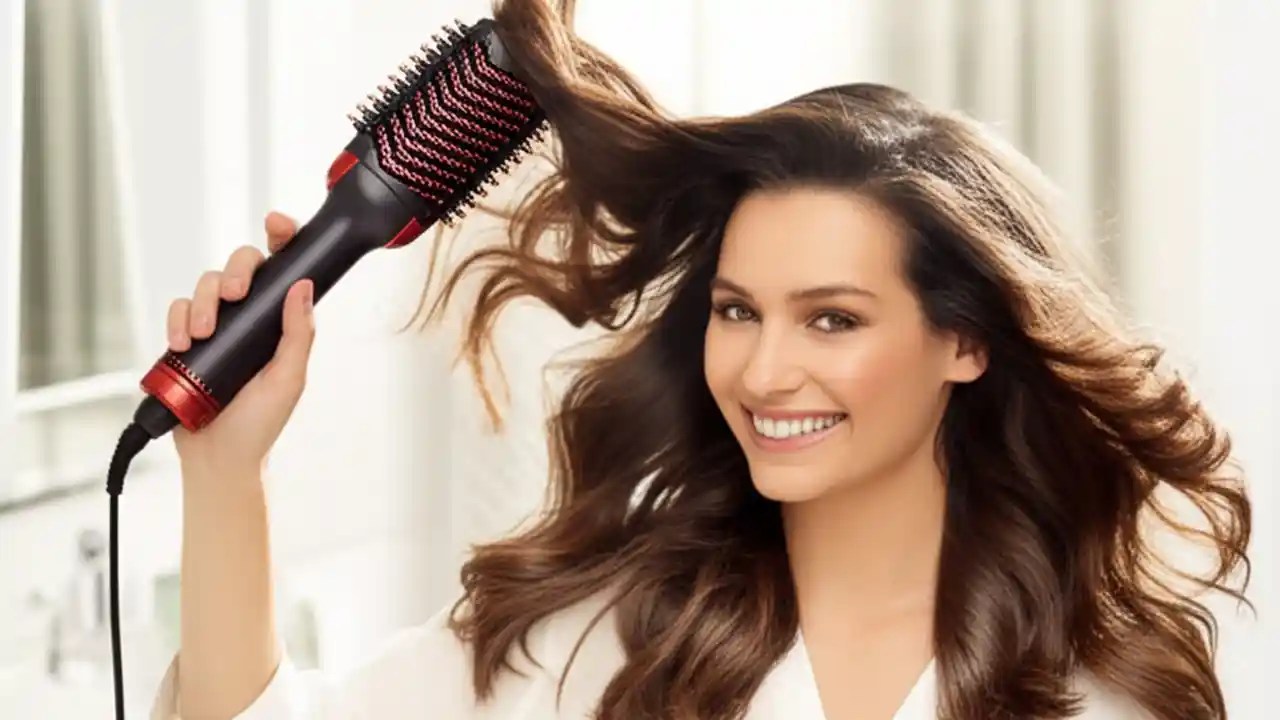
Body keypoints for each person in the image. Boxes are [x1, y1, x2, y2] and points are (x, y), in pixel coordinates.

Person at [148, 1, 1252, 718]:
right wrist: (224, 473)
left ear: (963, 339)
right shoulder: (605, 644)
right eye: (736, 312)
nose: (765, 372)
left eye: (831, 320)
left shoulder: (1108, 691)